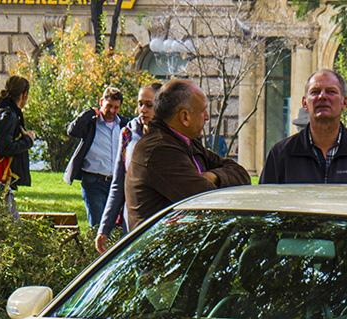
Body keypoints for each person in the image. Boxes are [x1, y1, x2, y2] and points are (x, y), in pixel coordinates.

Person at [125, 79, 250, 229]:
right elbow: (206, 200)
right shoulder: (159, 150)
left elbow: (241, 174)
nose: (207, 117)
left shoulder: (187, 142)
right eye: (203, 110)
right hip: (163, 248)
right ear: (184, 117)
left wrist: (214, 176)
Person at [259, 69, 347, 185]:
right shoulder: (282, 153)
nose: (322, 96)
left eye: (331, 92)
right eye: (315, 92)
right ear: (305, 103)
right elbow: (264, 206)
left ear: (345, 102)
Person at [96, 81, 162, 254]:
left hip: (160, 223)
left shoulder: (169, 138)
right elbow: (118, 183)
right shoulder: (127, 134)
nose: (143, 109)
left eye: (149, 105)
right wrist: (105, 228)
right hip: (131, 224)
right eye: (140, 104)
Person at [64, 86, 124, 231]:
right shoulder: (91, 123)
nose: (112, 111)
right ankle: (97, 254)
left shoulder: (123, 125)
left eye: (116, 107)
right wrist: (89, 112)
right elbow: (72, 130)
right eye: (109, 106)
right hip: (93, 182)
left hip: (116, 183)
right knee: (98, 226)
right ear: (101, 102)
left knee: (116, 228)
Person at [0, 75, 36, 220]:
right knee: (13, 227)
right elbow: (5, 147)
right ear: (24, 95)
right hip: (0, 179)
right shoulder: (9, 115)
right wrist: (28, 140)